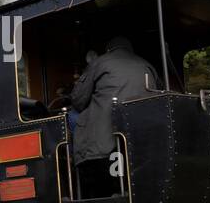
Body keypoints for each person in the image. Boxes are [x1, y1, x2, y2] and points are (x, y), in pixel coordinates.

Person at [69, 36, 160, 176]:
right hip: (144, 137)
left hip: (106, 139)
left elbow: (78, 100)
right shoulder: (147, 65)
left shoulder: (99, 62)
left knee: (72, 115)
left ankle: (78, 159)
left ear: (108, 49)